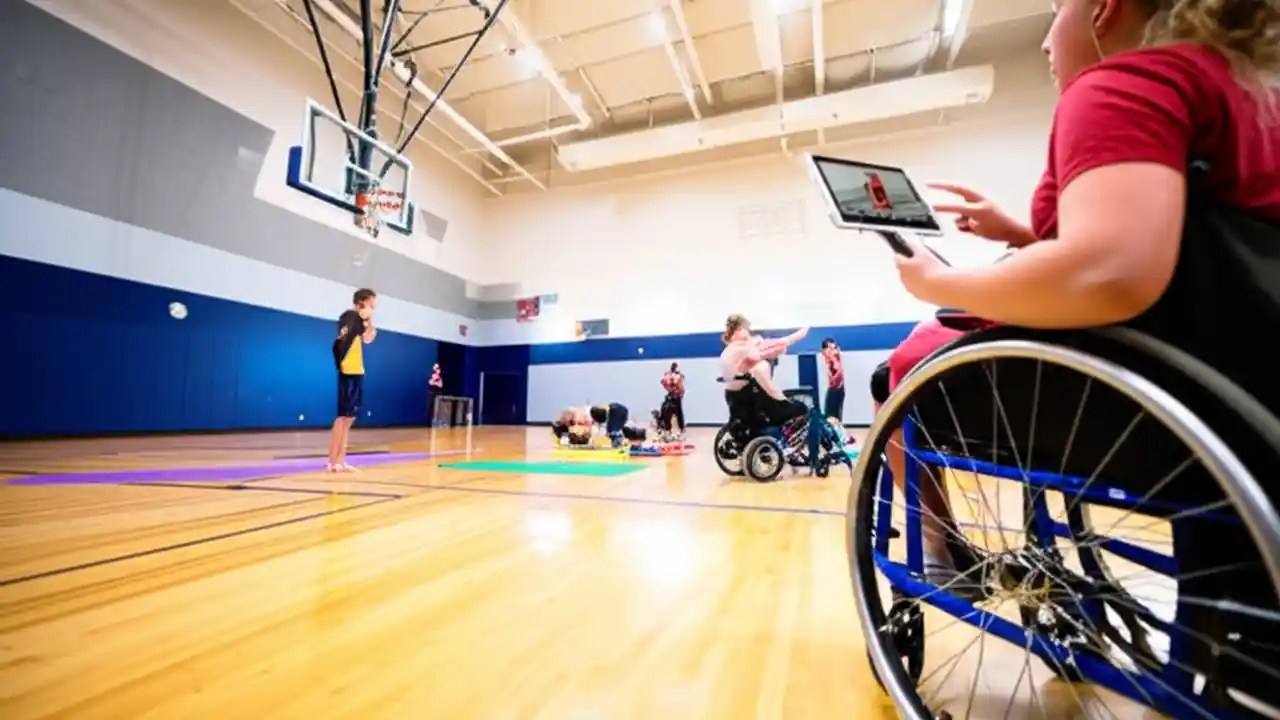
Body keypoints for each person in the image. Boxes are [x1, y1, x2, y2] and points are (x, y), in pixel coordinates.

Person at [877, 0, 1280, 579]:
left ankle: (936, 542)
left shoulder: (1123, 85)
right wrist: (1021, 232)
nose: (1045, 41)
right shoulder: (1251, 95)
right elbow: (1197, 247)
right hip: (1242, 388)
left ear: (1104, 9)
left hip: (1148, 402)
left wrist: (937, 280)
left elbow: (1105, 273)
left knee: (904, 368)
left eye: (1056, 8)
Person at [719, 314, 809, 426]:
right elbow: (779, 343)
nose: (749, 333)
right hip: (749, 397)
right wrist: (799, 334)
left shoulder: (729, 349)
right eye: (747, 329)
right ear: (740, 328)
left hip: (732, 395)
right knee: (799, 409)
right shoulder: (746, 348)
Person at [328, 288, 377, 472]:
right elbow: (344, 338)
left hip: (358, 370)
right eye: (371, 302)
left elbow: (368, 338)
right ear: (362, 302)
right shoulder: (349, 316)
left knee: (349, 418)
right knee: (342, 417)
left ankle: (341, 459)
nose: (374, 306)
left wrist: (368, 319)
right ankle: (333, 460)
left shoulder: (362, 321)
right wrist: (362, 317)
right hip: (348, 370)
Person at [820, 337, 845, 422]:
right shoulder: (828, 358)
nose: (832, 350)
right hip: (835, 389)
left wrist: (833, 379)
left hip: (836, 390)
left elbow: (839, 369)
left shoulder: (834, 358)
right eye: (829, 348)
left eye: (833, 348)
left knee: (833, 415)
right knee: (831, 415)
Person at [659, 362, 686, 435]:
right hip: (672, 396)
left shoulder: (678, 375)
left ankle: (681, 429)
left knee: (678, 413)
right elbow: (664, 382)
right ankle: (666, 428)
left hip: (677, 397)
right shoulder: (669, 375)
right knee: (666, 411)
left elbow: (679, 384)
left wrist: (680, 392)